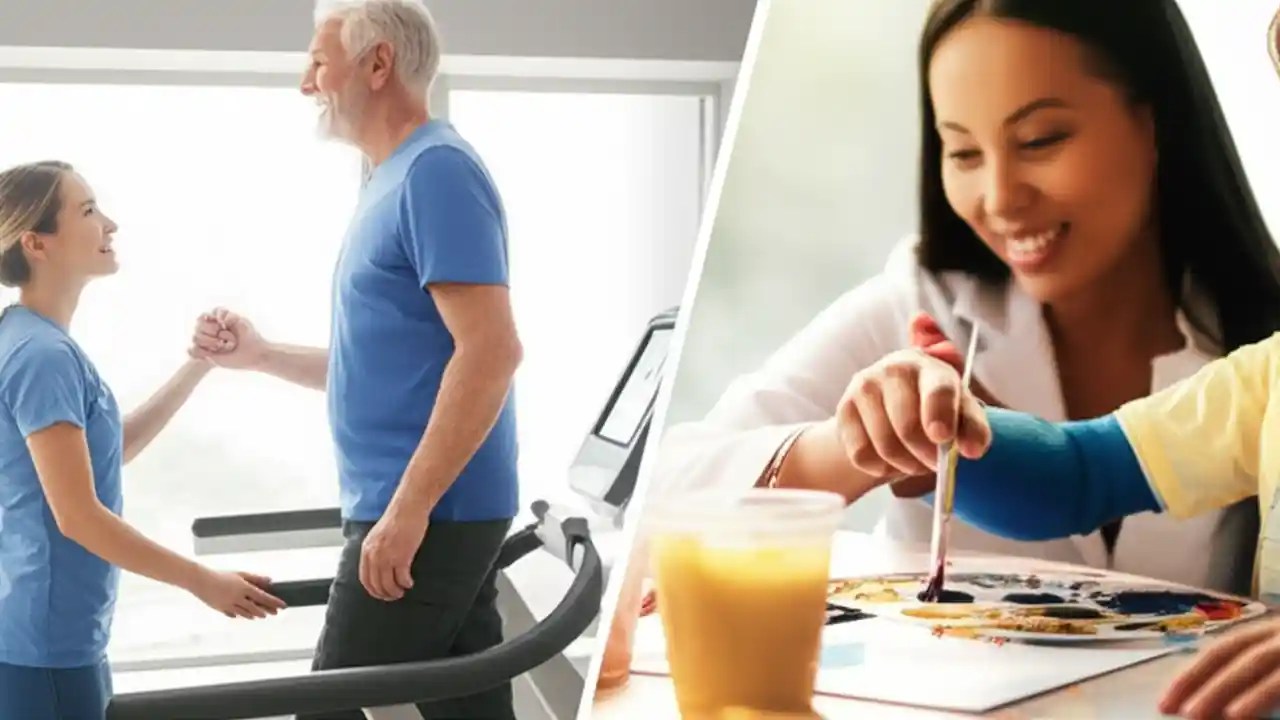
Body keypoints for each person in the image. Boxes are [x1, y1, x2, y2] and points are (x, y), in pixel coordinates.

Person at [653, 0, 1280, 596]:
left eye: (1039, 139)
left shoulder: (1257, 344)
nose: (1000, 198)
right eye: (964, 152)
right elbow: (661, 502)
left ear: (1157, 123)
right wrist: (861, 446)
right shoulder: (914, 307)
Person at [189, 2, 523, 718]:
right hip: (421, 508)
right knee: (468, 706)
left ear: (378, 65)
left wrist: (407, 513)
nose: (306, 84)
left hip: (430, 512)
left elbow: (491, 352)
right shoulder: (389, 178)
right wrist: (263, 355)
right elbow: (384, 368)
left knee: (328, 705)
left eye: (317, 62)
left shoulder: (436, 171)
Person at [0, 161, 286, 720]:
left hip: (52, 638)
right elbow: (78, 515)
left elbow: (110, 451)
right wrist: (202, 581)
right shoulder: (43, 357)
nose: (110, 224)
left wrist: (197, 365)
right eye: (87, 211)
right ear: (37, 242)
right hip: (45, 649)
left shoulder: (30, 339)